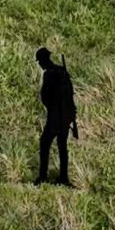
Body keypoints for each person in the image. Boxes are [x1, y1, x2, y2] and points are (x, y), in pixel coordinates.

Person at [35, 48, 76, 185]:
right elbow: (71, 95)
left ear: (44, 60)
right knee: (62, 146)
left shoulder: (49, 74)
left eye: (40, 61)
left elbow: (45, 96)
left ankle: (42, 177)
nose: (40, 64)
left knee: (44, 143)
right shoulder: (62, 71)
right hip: (66, 116)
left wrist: (50, 109)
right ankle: (64, 178)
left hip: (55, 117)